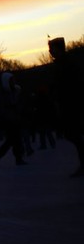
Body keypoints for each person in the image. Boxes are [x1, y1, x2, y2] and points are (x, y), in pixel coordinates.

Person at [48, 37, 84, 177]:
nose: (50, 52)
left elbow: (73, 84)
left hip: (72, 104)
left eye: (52, 49)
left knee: (74, 133)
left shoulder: (67, 64)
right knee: (72, 134)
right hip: (68, 104)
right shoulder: (61, 64)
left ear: (60, 49)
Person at [0, 72, 27, 167]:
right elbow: (3, 107)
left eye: (13, 80)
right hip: (8, 121)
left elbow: (17, 103)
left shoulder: (15, 90)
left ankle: (14, 157)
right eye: (11, 80)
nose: (13, 81)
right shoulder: (3, 93)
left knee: (14, 140)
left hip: (15, 119)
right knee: (13, 140)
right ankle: (3, 156)